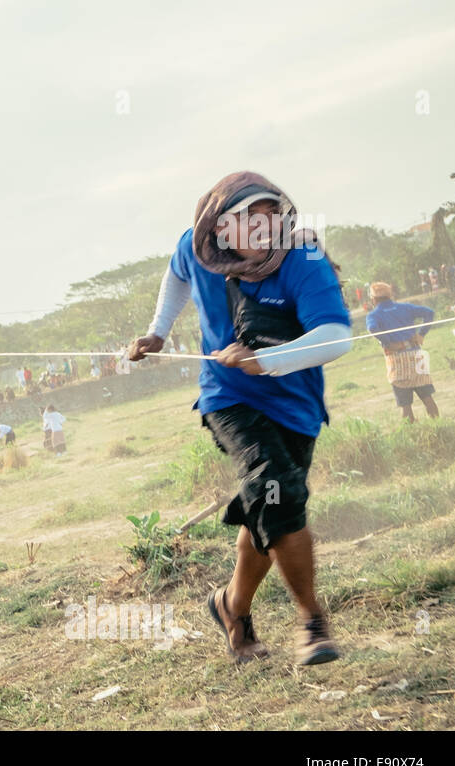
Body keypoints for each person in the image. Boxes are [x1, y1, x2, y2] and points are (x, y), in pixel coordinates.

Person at [128, 171, 352, 666]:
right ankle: (312, 622)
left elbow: (336, 337)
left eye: (271, 218)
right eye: (250, 221)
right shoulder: (197, 246)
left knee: (266, 506)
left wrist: (266, 361)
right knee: (278, 489)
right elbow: (176, 274)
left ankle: (231, 607)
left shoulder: (303, 257)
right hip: (228, 397)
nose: (264, 232)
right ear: (219, 227)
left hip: (295, 405)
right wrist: (158, 332)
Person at [366, 282, 439, 422]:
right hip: (416, 355)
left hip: (397, 359)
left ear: (373, 299)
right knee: (427, 398)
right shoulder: (405, 307)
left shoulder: (374, 315)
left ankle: (412, 434)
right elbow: (429, 312)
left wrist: (388, 343)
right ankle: (439, 428)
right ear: (390, 295)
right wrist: (421, 334)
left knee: (405, 405)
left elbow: (373, 329)